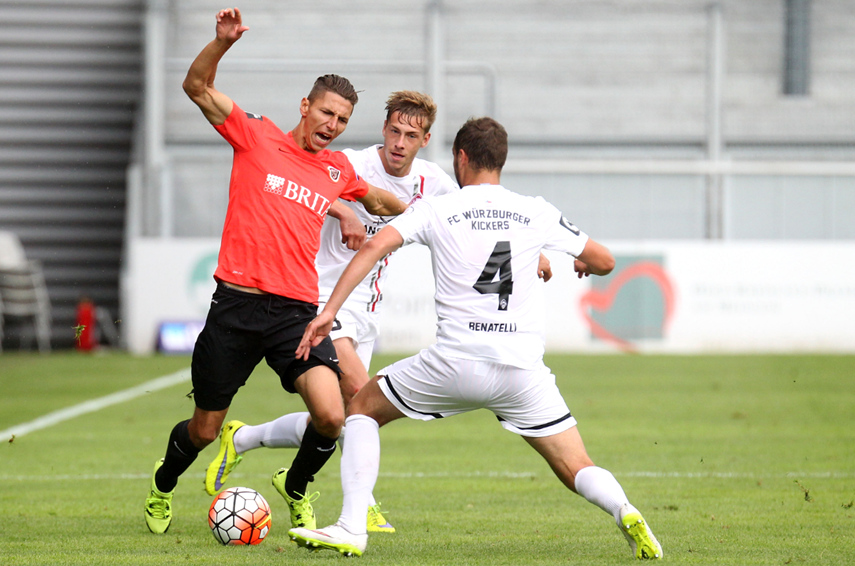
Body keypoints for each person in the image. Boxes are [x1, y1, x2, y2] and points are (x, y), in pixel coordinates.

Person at [287, 117, 663, 560]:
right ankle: (624, 510)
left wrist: (329, 312)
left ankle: (352, 526)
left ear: (460, 158)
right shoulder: (534, 209)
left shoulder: (436, 208)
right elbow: (604, 261)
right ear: (501, 161)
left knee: (363, 409)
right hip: (522, 372)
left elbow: (373, 247)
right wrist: (584, 265)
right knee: (577, 465)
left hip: (455, 363)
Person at [202, 92, 555, 534]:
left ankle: (246, 439)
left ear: (425, 139)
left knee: (344, 416)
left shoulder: (435, 183)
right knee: (360, 397)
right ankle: (359, 505)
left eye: (410, 135)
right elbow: (306, 179)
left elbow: (483, 212)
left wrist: (534, 252)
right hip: (322, 296)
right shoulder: (351, 163)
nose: (399, 142)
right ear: (383, 129)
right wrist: (344, 207)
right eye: (393, 131)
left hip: (368, 308)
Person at [143, 7, 407, 536]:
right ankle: (163, 483)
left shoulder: (337, 169)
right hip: (235, 309)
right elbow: (196, 85)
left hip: (295, 314)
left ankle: (296, 487)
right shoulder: (255, 136)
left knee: (334, 415)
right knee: (203, 428)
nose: (331, 126)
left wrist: (431, 216)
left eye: (341, 121)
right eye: (325, 113)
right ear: (305, 106)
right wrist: (221, 44)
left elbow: (381, 197)